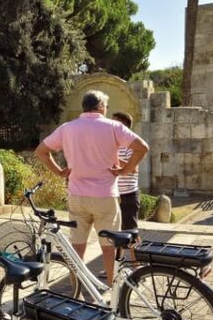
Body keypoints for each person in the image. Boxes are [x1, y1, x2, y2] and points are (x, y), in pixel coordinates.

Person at [35, 90, 148, 282]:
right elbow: (142, 147)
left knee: (77, 247)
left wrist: (60, 172)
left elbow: (41, 151)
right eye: (106, 106)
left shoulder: (67, 128)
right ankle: (111, 288)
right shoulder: (113, 127)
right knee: (109, 247)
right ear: (101, 106)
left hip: (77, 196)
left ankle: (77, 290)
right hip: (106, 196)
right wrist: (124, 170)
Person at [112, 111, 141, 265]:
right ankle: (117, 265)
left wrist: (115, 159)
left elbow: (134, 169)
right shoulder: (114, 145)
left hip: (129, 194)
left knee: (131, 232)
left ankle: (136, 265)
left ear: (123, 125)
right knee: (117, 233)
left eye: (114, 122)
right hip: (115, 195)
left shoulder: (132, 144)